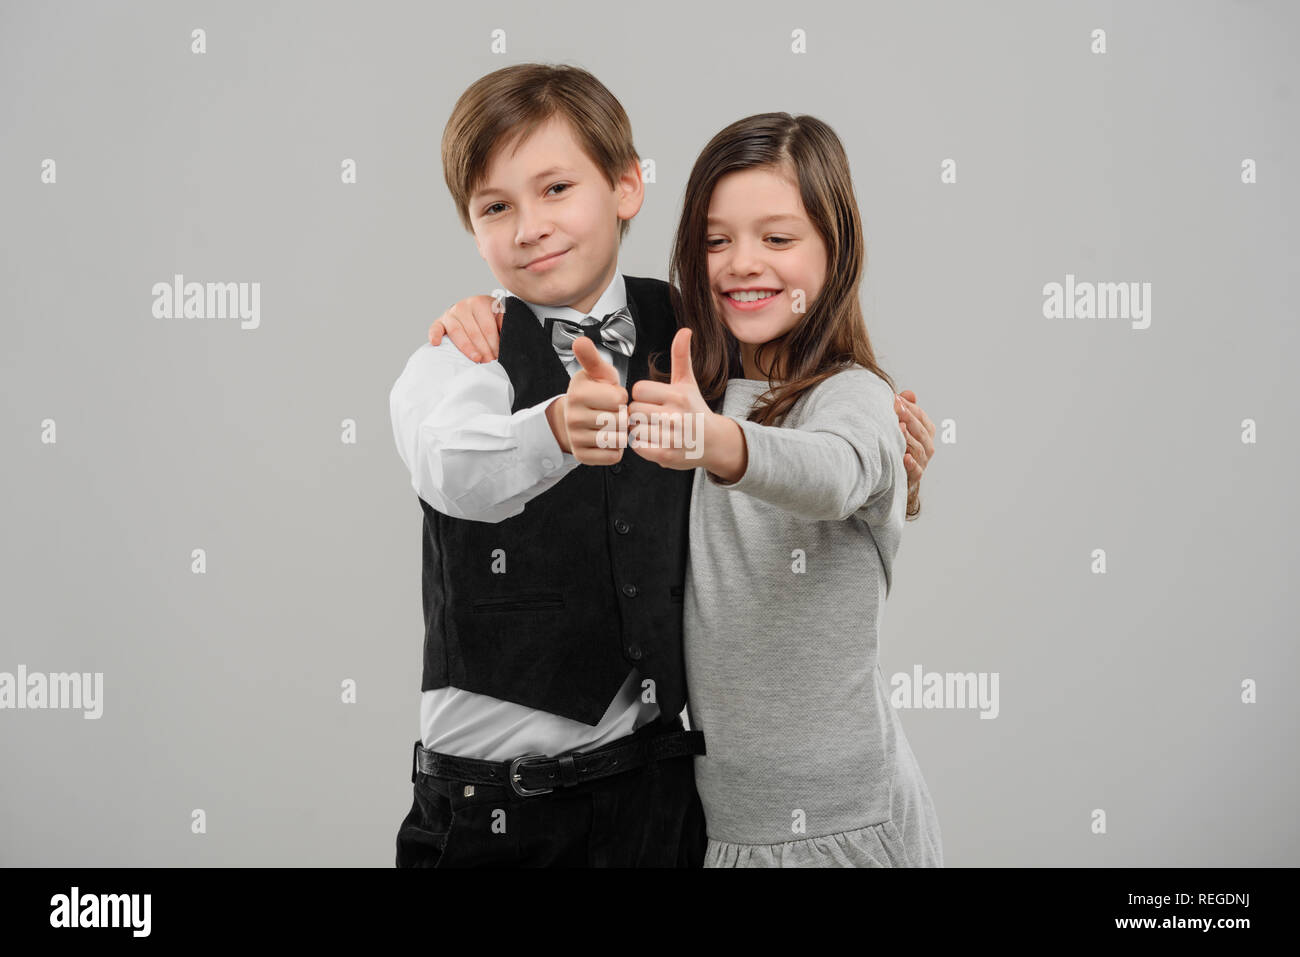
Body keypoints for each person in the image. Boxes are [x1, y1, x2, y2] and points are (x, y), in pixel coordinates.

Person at [432, 111, 943, 867]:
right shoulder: (688, 382)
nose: (742, 263)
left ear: (836, 248)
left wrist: (718, 443)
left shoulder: (852, 395)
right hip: (719, 826)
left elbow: (835, 471)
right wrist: (490, 317)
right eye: (715, 240)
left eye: (778, 238)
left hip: (837, 824)